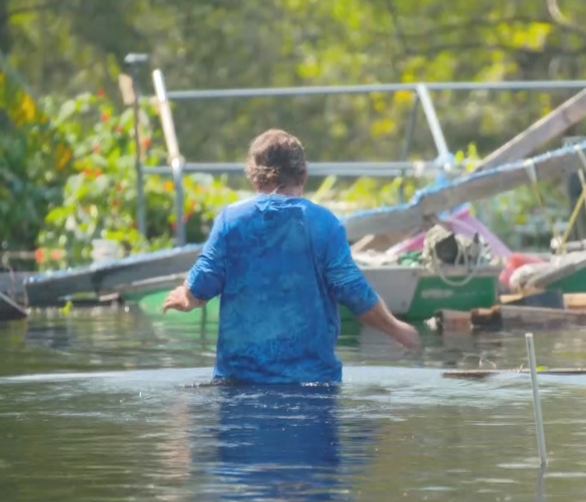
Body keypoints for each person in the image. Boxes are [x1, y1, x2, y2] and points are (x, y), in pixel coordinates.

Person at [162, 128, 421, 384]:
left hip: (241, 386)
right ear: (303, 174)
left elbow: (200, 286)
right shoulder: (323, 224)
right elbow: (354, 291)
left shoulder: (231, 221)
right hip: (313, 385)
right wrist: (397, 330)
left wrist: (185, 296)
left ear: (253, 178)